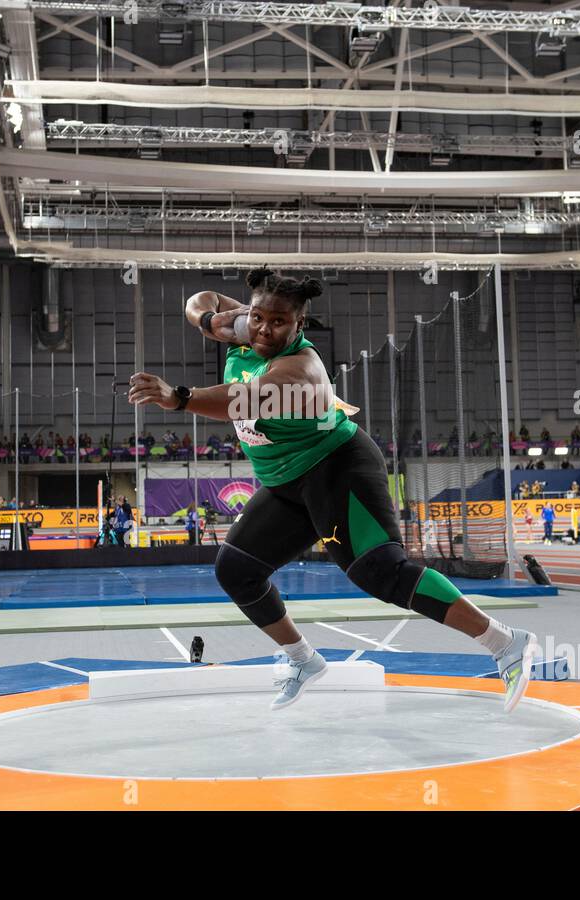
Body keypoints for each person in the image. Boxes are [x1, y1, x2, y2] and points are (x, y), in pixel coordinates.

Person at [128, 267, 537, 712]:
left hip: (336, 469)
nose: (265, 328)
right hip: (285, 483)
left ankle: (506, 642)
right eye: (259, 317)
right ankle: (303, 659)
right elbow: (200, 299)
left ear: (299, 324)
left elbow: (238, 401)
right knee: (236, 570)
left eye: (279, 321)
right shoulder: (250, 327)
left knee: (380, 572)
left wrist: (178, 397)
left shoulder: (302, 372)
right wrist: (212, 321)